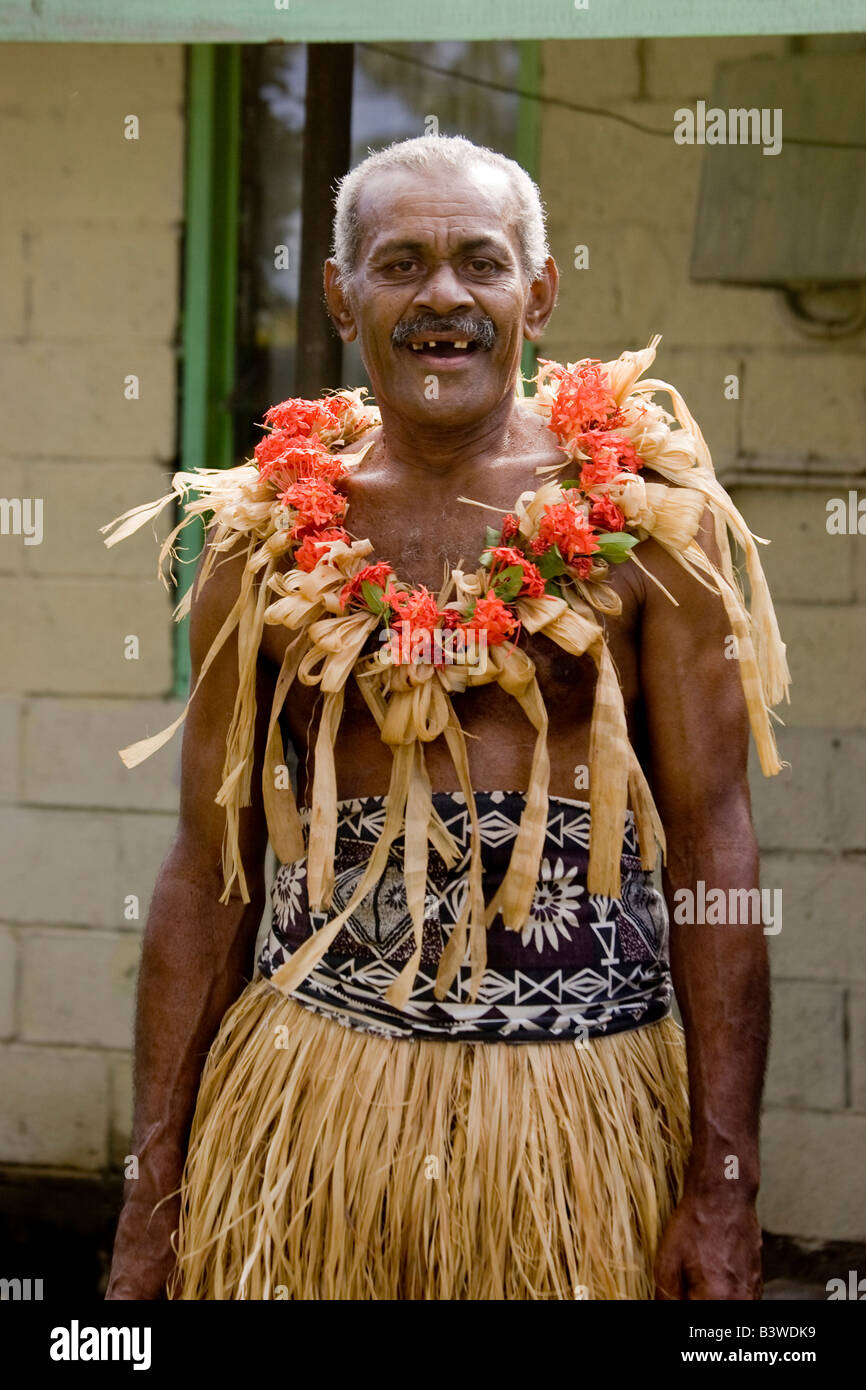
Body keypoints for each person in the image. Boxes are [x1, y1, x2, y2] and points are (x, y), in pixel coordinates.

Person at [104, 135, 788, 1301]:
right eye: (399, 263)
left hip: (577, 1113)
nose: (442, 297)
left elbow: (714, 845)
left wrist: (722, 1184)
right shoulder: (260, 537)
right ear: (339, 293)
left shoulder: (651, 525)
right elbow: (209, 871)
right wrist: (151, 1192)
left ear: (538, 289)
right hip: (309, 1113)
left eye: (479, 262)